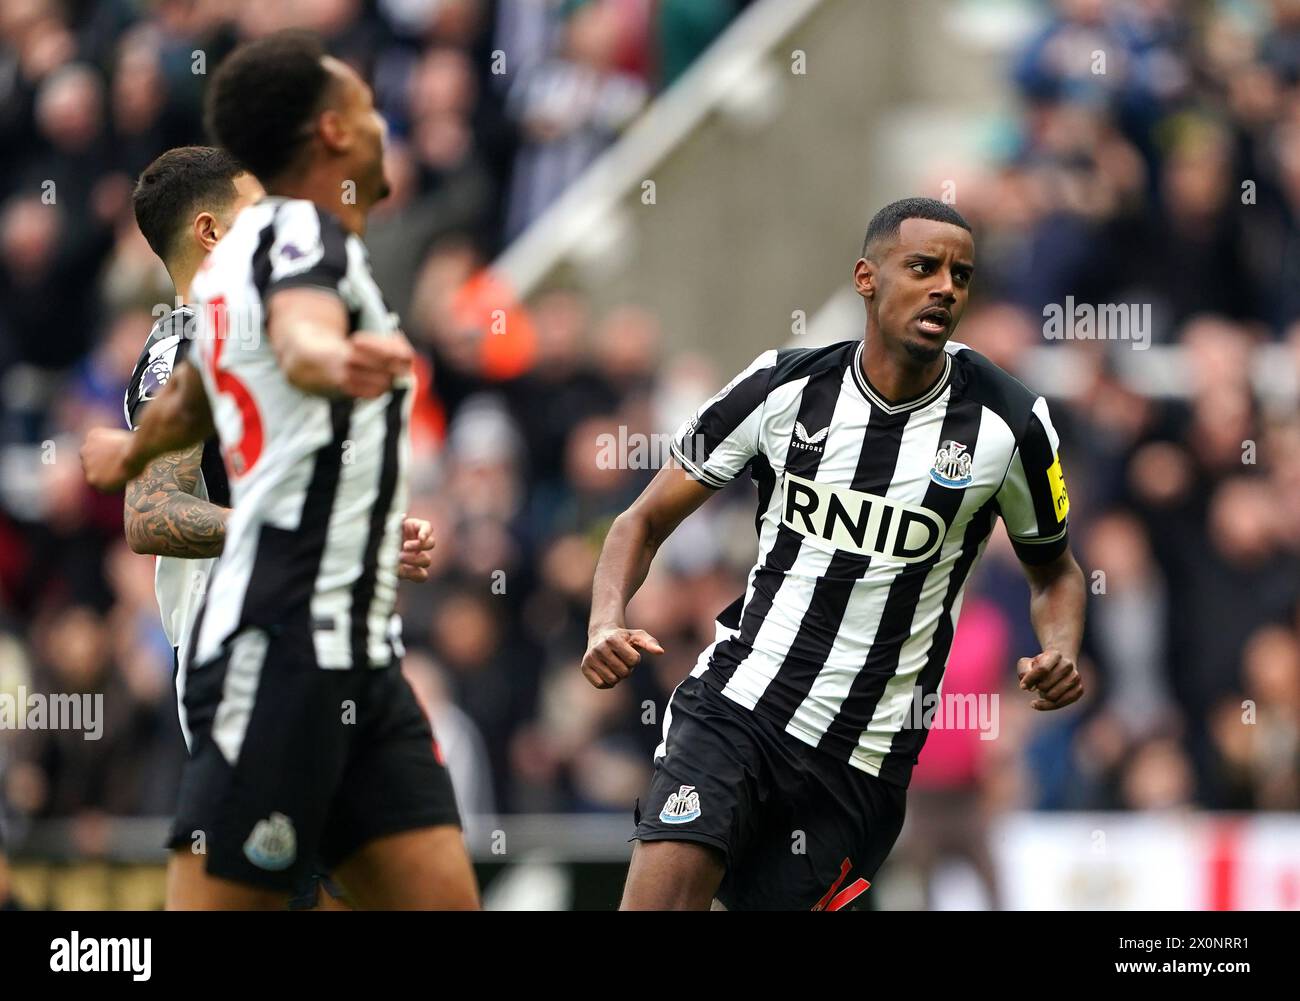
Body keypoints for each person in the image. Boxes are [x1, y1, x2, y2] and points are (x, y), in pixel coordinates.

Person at [582, 197, 1086, 910]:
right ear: (867, 278)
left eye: (961, 275)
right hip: (739, 705)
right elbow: (641, 520)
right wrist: (606, 616)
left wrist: (1059, 642)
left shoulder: (1008, 422)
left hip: (860, 762)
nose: (945, 286)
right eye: (923, 267)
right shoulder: (783, 386)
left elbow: (1056, 569)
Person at [81, 31, 478, 910]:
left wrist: (357, 527)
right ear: (215, 227)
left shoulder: (238, 303)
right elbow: (153, 516)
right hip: (265, 650)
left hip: (354, 650)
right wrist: (319, 374)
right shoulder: (235, 296)